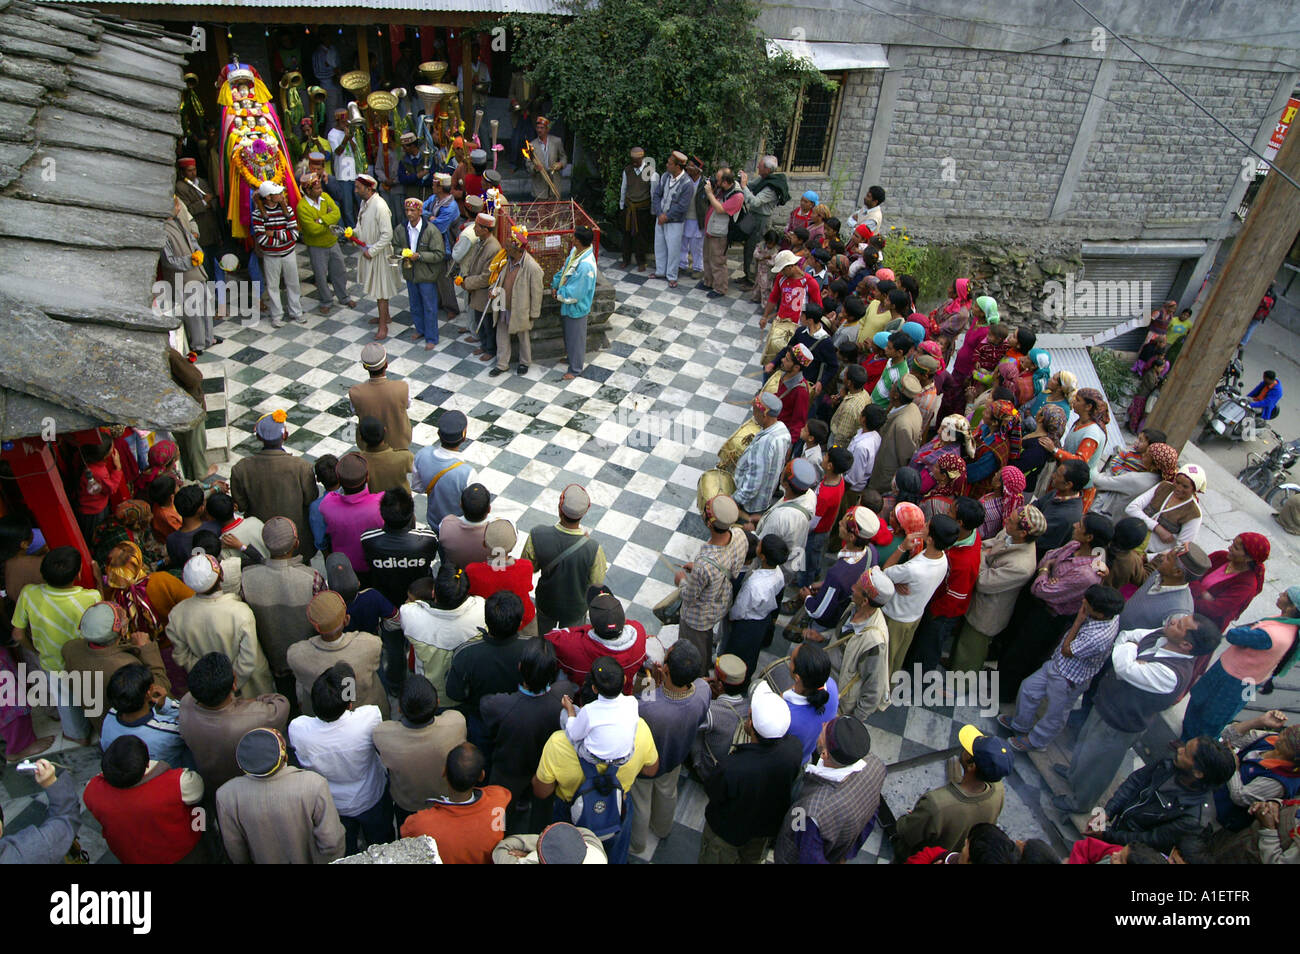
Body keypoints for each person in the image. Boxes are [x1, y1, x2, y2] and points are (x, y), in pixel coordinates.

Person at [1053, 613, 1222, 815]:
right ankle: (1073, 775)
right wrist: (1131, 652)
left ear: (1186, 645)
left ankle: (1080, 802)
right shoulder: (1164, 635)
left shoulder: (1171, 674)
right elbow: (1126, 635)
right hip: (1106, 704)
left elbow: (1123, 667)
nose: (1173, 621)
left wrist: (1132, 650)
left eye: (1180, 625)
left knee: (1098, 766)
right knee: (1085, 743)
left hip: (1120, 724)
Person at [532, 666, 660, 865]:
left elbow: (541, 792)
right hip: (618, 808)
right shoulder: (639, 728)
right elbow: (651, 769)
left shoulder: (558, 744)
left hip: (570, 815)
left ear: (583, 705)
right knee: (616, 856)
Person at [996, 513, 1114, 701]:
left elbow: (1042, 590)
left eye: (1080, 525)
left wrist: (1045, 572)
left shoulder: (1087, 574)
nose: (1075, 525)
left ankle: (1004, 694)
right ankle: (999, 678)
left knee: (1023, 655)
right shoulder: (1075, 546)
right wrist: (1047, 569)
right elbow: (1049, 556)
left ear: (1089, 537)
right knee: (1012, 643)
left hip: (1048, 618)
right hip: (1034, 608)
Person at [999, 584, 1123, 751]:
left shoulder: (1097, 637)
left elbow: (1067, 650)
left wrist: (1078, 621)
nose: (1083, 603)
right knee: (1029, 688)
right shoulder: (1108, 615)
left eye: (1087, 603)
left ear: (1100, 613)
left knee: (1055, 714)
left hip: (1069, 678)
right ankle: (1021, 724)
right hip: (1057, 665)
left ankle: (1037, 741)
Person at [289, 663, 391, 855]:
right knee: (383, 843)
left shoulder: (298, 729)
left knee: (346, 850)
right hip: (371, 796)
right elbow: (354, 709)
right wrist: (348, 698)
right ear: (349, 703)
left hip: (334, 804)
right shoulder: (369, 717)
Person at [698, 681, 802, 864]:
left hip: (727, 834)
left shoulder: (732, 767)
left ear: (751, 724)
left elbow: (713, 791)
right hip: (763, 829)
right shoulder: (794, 749)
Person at [1181, 588, 1299, 741]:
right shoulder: (1286, 624)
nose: (1280, 595)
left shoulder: (1273, 635)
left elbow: (1234, 635)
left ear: (1292, 608)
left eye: (1285, 595)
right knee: (1204, 703)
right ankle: (1186, 739)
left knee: (1213, 715)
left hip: (1235, 680)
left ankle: (1194, 745)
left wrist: (1248, 628)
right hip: (1245, 677)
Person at [215, 726, 346, 864]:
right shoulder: (313, 784)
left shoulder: (226, 795)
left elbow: (235, 848)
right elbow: (331, 840)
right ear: (285, 756)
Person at [10, 547, 100, 745]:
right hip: (84, 659)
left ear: (43, 572)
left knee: (66, 702)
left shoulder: (28, 593)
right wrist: (99, 581)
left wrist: (34, 649)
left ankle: (78, 736)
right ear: (77, 574)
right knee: (93, 697)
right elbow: (102, 618)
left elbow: (17, 633)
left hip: (51, 662)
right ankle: (100, 730)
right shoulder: (90, 597)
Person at [628, 641, 710, 854]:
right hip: (675, 757)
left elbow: (640, 707)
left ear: (665, 669)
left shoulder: (648, 707)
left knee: (640, 802)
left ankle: (637, 844)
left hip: (645, 766)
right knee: (667, 793)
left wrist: (650, 684)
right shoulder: (703, 690)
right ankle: (662, 828)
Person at [1089, 737, 1237, 853]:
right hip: (1118, 829)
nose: (1179, 750)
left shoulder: (1193, 818)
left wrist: (1106, 835)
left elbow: (1149, 840)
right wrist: (1108, 812)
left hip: (1129, 849)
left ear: (1198, 773)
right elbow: (1135, 781)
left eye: (1186, 752)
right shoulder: (1170, 764)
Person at [774, 715, 885, 864]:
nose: (824, 723)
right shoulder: (876, 766)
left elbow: (809, 858)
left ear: (824, 754)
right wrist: (846, 854)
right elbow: (872, 811)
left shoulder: (813, 813)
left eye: (824, 729)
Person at [949, 505, 1047, 673]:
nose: (1007, 519)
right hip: (975, 602)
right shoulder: (1010, 532)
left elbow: (983, 582)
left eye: (1011, 520)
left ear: (1023, 533)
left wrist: (981, 555)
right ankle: (952, 664)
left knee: (971, 650)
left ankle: (959, 684)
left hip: (987, 612)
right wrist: (983, 554)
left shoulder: (1022, 565)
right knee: (961, 641)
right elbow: (986, 544)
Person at [239, 515, 326, 702]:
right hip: (307, 657)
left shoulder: (246, 578)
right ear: (296, 544)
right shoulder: (312, 578)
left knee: (284, 698)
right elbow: (325, 615)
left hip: (272, 658)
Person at [83, 734, 207, 864]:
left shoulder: (91, 790)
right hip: (181, 853)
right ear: (147, 763)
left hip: (130, 857)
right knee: (202, 811)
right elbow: (198, 793)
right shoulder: (179, 782)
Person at [178, 652, 290, 793]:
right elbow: (281, 703)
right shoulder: (258, 716)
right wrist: (253, 700)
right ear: (234, 683)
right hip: (252, 785)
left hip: (212, 785)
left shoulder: (186, 703)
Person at [893, 725, 1011, 859]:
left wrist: (914, 818)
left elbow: (907, 832)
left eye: (970, 749)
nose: (965, 748)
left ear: (972, 766)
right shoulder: (999, 789)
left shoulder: (936, 804)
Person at [167, 554, 274, 696]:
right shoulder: (240, 612)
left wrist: (213, 682)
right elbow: (248, 659)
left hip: (212, 693)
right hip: (250, 688)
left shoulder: (176, 615)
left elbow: (182, 657)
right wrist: (231, 683)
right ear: (221, 577)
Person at [61, 601, 170, 734]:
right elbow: (160, 690)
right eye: (125, 620)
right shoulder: (126, 666)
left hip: (101, 723)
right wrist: (146, 649)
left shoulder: (70, 648)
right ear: (122, 630)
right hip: (128, 730)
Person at [399, 742, 512, 863]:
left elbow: (406, 833)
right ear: (482, 776)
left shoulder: (421, 824)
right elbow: (499, 828)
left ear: (444, 772)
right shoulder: (499, 800)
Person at [230, 411, 319, 560]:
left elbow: (242, 505)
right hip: (296, 545)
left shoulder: (241, 469)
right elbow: (311, 499)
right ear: (285, 435)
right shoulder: (302, 467)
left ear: (259, 437)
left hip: (261, 543)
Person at [287, 590, 387, 718]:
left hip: (322, 716)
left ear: (316, 626)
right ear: (346, 620)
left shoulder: (296, 655)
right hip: (365, 713)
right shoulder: (370, 644)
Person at [880, 512, 958, 676]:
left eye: (927, 526)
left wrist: (902, 548)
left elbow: (885, 571)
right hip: (914, 615)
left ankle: (881, 694)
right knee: (898, 656)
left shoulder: (914, 569)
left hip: (896, 617)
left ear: (930, 540)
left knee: (885, 660)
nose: (924, 525)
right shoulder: (942, 558)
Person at [523, 484, 607, 633]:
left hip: (546, 602)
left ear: (559, 507)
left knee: (542, 636)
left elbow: (527, 568)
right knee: (572, 641)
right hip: (575, 609)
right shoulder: (593, 548)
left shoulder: (537, 534)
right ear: (585, 512)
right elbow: (596, 583)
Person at [676, 494, 749, 665]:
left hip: (699, 618)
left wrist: (681, 580)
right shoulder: (739, 534)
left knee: (695, 654)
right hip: (723, 599)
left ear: (709, 523)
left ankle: (699, 678)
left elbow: (688, 596)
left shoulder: (703, 566)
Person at [361, 487, 440, 610]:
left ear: (382, 514)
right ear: (411, 514)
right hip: (418, 595)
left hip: (385, 594)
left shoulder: (369, 539)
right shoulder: (427, 539)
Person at [100, 663, 190, 768]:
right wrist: (166, 704)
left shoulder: (110, 716)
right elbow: (193, 715)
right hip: (168, 776)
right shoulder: (170, 730)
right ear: (149, 693)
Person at [161, 194, 217, 352]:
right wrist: (189, 261)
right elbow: (169, 261)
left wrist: (198, 252)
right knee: (193, 312)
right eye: (177, 206)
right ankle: (198, 344)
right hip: (183, 278)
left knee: (205, 306)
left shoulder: (178, 222)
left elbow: (192, 241)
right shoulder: (163, 231)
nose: (179, 208)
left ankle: (208, 338)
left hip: (197, 272)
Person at [484, 224, 541, 379]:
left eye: (509, 247)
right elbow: (498, 280)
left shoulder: (532, 267)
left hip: (521, 308)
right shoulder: (505, 260)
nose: (506, 249)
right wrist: (493, 290)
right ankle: (502, 364)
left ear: (518, 250)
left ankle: (525, 362)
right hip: (503, 304)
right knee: (501, 334)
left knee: (523, 336)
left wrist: (534, 313)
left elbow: (537, 293)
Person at [466, 519, 538, 636]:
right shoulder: (526, 566)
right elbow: (528, 587)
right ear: (514, 545)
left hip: (489, 621)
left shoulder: (472, 570)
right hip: (522, 621)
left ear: (484, 543)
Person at [318, 453, 383, 583]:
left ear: (338, 478)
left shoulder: (326, 504)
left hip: (344, 566)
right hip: (373, 565)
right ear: (367, 477)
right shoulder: (380, 503)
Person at [296, 172, 354, 315]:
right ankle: (326, 301)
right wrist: (328, 220)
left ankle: (344, 297)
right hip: (316, 247)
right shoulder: (302, 207)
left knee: (339, 271)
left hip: (332, 242)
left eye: (320, 187)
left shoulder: (326, 197)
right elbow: (313, 230)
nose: (320, 190)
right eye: (316, 189)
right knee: (320, 276)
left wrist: (321, 220)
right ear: (308, 191)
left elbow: (337, 214)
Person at [1115, 544, 1208, 633]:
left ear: (1177, 572)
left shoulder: (1178, 613)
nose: (1162, 558)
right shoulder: (1161, 573)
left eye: (1168, 558)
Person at [1190, 531, 1269, 633]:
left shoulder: (1246, 585)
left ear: (1248, 558)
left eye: (1235, 548)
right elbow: (1193, 572)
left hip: (1202, 625)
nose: (1229, 548)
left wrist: (1190, 596)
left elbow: (1214, 610)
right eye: (1232, 543)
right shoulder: (1220, 556)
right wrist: (1203, 593)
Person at [394, 197, 446, 348]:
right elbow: (395, 246)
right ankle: (420, 329)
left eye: (412, 210)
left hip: (427, 275)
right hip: (410, 274)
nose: (409, 214)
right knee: (415, 304)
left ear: (420, 211)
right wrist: (402, 252)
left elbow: (439, 254)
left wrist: (420, 256)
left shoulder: (431, 231)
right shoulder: (401, 229)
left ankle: (432, 337)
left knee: (429, 306)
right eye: (407, 210)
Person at [354, 173, 401, 340]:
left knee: (381, 291)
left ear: (368, 188)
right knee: (378, 288)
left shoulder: (380, 206)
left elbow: (387, 235)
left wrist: (372, 251)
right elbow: (360, 223)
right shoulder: (364, 202)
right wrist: (353, 234)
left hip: (379, 254)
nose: (356, 190)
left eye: (358, 188)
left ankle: (383, 326)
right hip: (369, 251)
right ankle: (385, 317)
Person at [250, 181, 304, 328]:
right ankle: (276, 315)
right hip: (271, 256)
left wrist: (273, 233)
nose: (282, 195)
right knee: (273, 286)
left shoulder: (289, 210)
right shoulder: (257, 214)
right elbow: (262, 239)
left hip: (288, 254)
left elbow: (294, 235)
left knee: (293, 283)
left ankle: (296, 312)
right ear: (268, 197)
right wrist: (282, 238)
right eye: (278, 194)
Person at [692, 654, 751, 784]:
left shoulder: (711, 711)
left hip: (709, 771)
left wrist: (697, 687)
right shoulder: (749, 705)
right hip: (731, 765)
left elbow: (687, 718)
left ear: (719, 686)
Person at [412, 410, 476, 530]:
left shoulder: (422, 454)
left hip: (433, 520)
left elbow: (417, 487)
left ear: (438, 433)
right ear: (464, 436)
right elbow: (472, 508)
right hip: (456, 529)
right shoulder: (467, 473)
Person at [732, 393, 792, 522]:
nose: (753, 414)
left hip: (751, 505)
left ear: (764, 414)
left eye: (755, 410)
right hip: (765, 496)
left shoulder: (766, 443)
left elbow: (754, 480)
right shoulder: (783, 430)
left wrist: (735, 500)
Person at [1125, 464, 1205, 554]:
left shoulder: (1194, 513)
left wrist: (1149, 558)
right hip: (1130, 539)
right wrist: (1156, 527)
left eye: (1185, 486)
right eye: (1177, 482)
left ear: (1194, 489)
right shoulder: (1164, 487)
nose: (1179, 488)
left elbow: (1181, 548)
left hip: (1152, 555)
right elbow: (1131, 508)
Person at [551, 225, 598, 379]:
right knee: (569, 335)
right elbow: (564, 270)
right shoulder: (575, 252)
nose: (572, 239)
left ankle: (575, 368)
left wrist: (559, 293)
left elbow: (576, 292)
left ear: (577, 240)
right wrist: (555, 284)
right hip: (567, 304)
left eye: (573, 237)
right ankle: (571, 358)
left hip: (576, 307)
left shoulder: (585, 266)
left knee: (576, 338)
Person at [867, 376, 925, 494]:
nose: (890, 389)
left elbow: (905, 456)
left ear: (896, 395)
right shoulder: (912, 407)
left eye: (892, 387)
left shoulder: (902, 425)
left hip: (884, 472)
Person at [737, 157, 790, 285]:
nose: (757, 168)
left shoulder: (772, 187)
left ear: (767, 169)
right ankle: (747, 274)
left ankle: (753, 279)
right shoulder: (763, 178)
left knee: (757, 248)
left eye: (760, 166)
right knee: (747, 246)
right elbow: (751, 186)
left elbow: (755, 202)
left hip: (761, 220)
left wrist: (743, 186)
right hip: (752, 217)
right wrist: (741, 181)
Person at [1092, 441, 1178, 520]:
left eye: (1147, 455)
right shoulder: (1161, 483)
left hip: (1107, 517)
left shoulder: (1136, 479)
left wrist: (1107, 471)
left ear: (1154, 466)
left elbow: (1099, 482)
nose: (1143, 455)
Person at [457, 213, 503, 356]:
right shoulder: (480, 241)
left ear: (485, 229)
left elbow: (486, 277)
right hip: (476, 292)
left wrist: (467, 283)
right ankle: (484, 345)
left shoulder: (493, 247)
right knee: (480, 321)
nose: (475, 229)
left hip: (484, 293)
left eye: (477, 226)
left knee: (487, 324)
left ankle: (490, 350)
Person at [1028, 458, 1090, 556]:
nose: (1053, 476)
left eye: (1057, 475)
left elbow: (1035, 539)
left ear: (1068, 485)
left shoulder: (1064, 516)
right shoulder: (1059, 492)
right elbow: (1037, 504)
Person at [700, 168, 744, 297]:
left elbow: (719, 209)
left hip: (720, 234)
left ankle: (720, 288)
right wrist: (712, 189)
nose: (716, 181)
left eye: (718, 180)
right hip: (711, 230)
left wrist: (709, 193)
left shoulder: (737, 196)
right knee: (707, 258)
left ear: (725, 182)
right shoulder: (723, 189)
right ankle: (708, 282)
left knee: (718, 262)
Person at [650, 150, 691, 287]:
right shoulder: (665, 176)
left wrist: (666, 216)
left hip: (674, 222)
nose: (667, 165)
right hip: (661, 218)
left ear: (678, 167)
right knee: (659, 245)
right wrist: (659, 213)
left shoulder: (687, 184)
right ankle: (660, 271)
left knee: (673, 249)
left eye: (670, 163)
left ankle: (672, 275)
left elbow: (682, 207)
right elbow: (657, 195)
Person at [619, 146, 657, 270]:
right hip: (629, 207)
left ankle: (641, 261)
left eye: (637, 160)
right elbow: (624, 188)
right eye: (632, 160)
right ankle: (626, 259)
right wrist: (621, 204)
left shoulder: (650, 171)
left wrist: (652, 210)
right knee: (626, 235)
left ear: (642, 158)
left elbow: (653, 191)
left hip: (642, 209)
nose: (634, 163)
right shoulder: (628, 170)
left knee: (641, 236)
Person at [357, 417, 413, 494]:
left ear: (360, 438)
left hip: (375, 503)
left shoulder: (359, 462)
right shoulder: (405, 456)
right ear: (385, 430)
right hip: (402, 502)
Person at [524, 115, 566, 200]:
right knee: (541, 210)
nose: (539, 130)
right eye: (538, 128)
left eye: (542, 128)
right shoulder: (532, 145)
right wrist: (535, 168)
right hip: (540, 185)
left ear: (547, 129)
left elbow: (563, 157)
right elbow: (528, 163)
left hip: (554, 183)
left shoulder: (556, 141)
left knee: (555, 210)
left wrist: (560, 164)